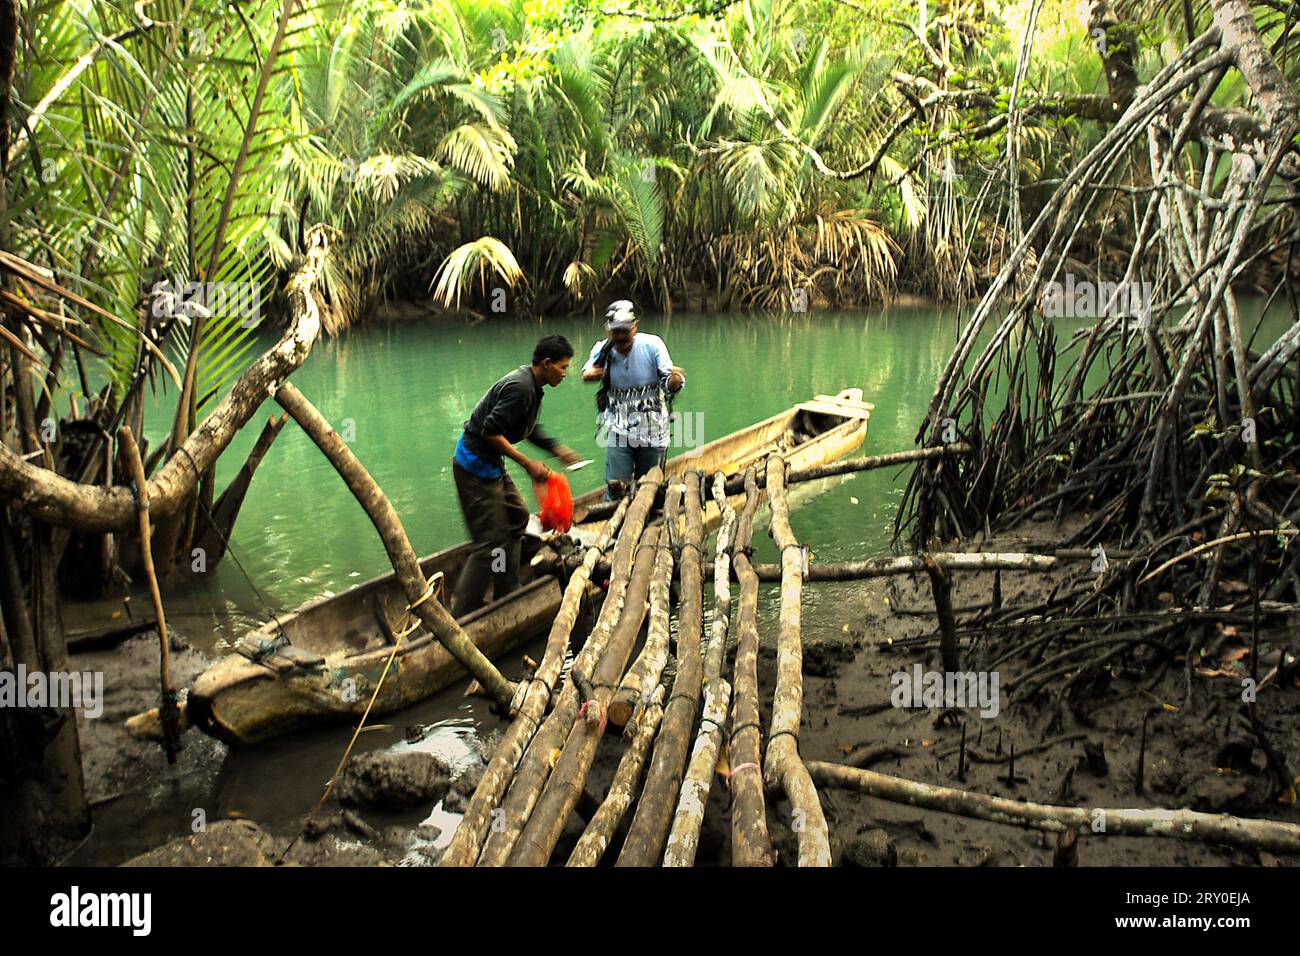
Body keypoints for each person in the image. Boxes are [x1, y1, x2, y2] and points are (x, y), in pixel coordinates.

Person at [450, 335, 582, 616]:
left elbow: (527, 426)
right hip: (474, 466)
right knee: (489, 543)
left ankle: (507, 587)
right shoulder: (520, 388)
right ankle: (463, 612)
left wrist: (555, 448)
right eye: (563, 367)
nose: (565, 373)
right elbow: (489, 431)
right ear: (546, 364)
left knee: (518, 519)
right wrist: (526, 464)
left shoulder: (533, 387)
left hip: (491, 464)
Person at [582, 300, 685, 496]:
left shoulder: (652, 345)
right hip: (619, 430)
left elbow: (670, 381)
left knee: (649, 487)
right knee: (615, 485)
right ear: (608, 330)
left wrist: (675, 381)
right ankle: (613, 513)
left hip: (654, 432)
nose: (620, 336)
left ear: (635, 327)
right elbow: (586, 373)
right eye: (616, 331)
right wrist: (592, 374)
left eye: (625, 330)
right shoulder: (603, 350)